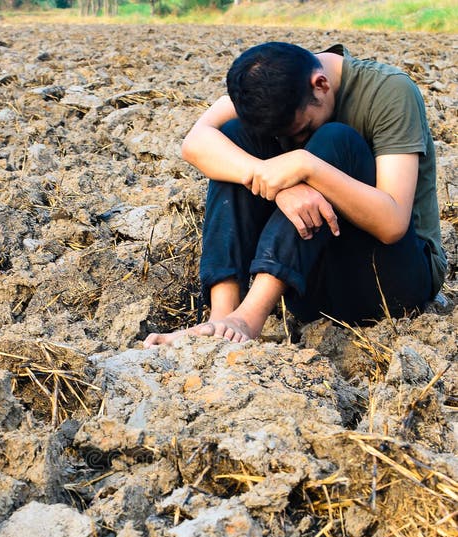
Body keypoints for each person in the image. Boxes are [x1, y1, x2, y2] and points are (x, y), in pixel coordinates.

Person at [143, 42, 446, 347]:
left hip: (392, 284)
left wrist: (306, 166)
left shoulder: (388, 90)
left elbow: (392, 224)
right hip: (309, 283)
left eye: (301, 130)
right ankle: (222, 315)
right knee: (235, 137)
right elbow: (194, 143)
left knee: (335, 140)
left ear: (321, 85)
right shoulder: (270, 86)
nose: (295, 140)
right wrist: (278, 185)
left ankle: (249, 317)